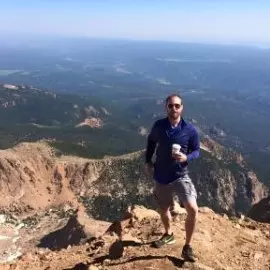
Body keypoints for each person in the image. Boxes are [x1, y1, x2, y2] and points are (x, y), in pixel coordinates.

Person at [145, 94, 200, 262]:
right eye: (170, 106)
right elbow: (151, 142)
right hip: (161, 175)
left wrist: (186, 158)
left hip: (180, 175)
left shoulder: (190, 129)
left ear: (182, 108)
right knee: (163, 209)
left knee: (192, 208)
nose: (173, 109)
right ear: (166, 108)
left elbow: (197, 150)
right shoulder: (159, 126)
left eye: (177, 106)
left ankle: (187, 247)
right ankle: (168, 234)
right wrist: (148, 161)